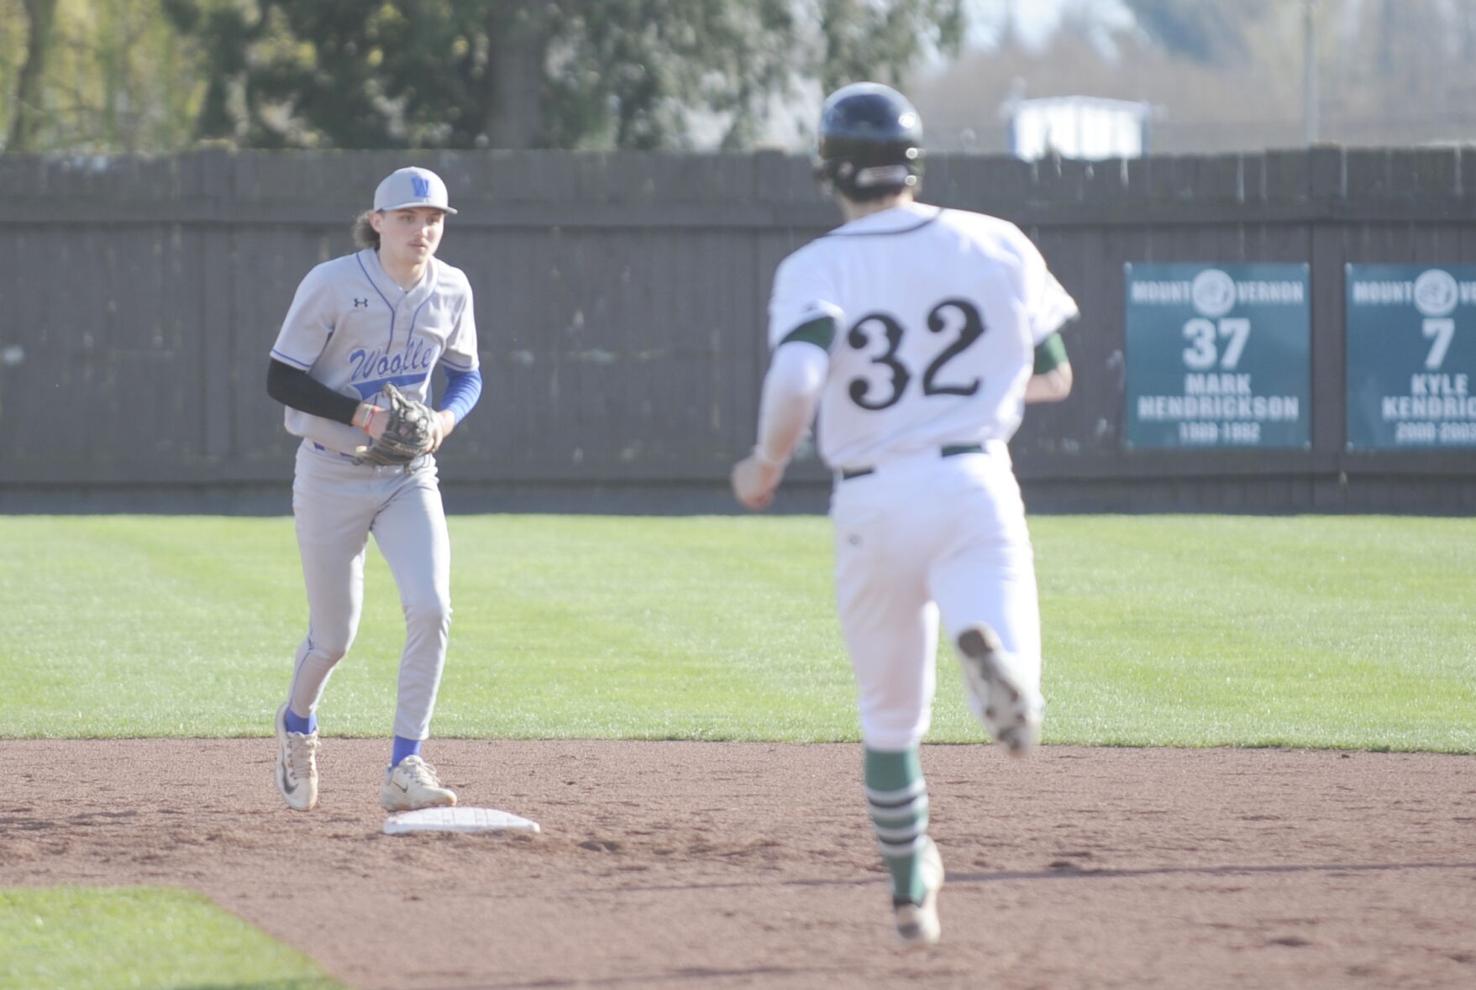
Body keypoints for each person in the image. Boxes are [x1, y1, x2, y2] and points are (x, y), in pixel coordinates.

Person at [730, 83, 1076, 947]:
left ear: (829, 169)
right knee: (999, 627)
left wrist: (765, 464)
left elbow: (799, 380)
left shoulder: (820, 264)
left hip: (872, 494)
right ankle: (1002, 668)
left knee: (889, 721)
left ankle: (910, 890)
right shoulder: (998, 240)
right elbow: (1055, 370)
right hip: (974, 478)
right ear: (913, 162)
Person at [265, 166, 482, 813]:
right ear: (378, 221)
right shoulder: (331, 284)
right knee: (334, 638)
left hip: (406, 475)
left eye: (435, 218)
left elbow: (468, 378)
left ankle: (404, 763)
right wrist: (359, 413)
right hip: (330, 471)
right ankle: (297, 724)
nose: (424, 229)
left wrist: (444, 419)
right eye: (410, 217)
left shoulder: (453, 288)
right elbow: (281, 378)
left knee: (432, 606)